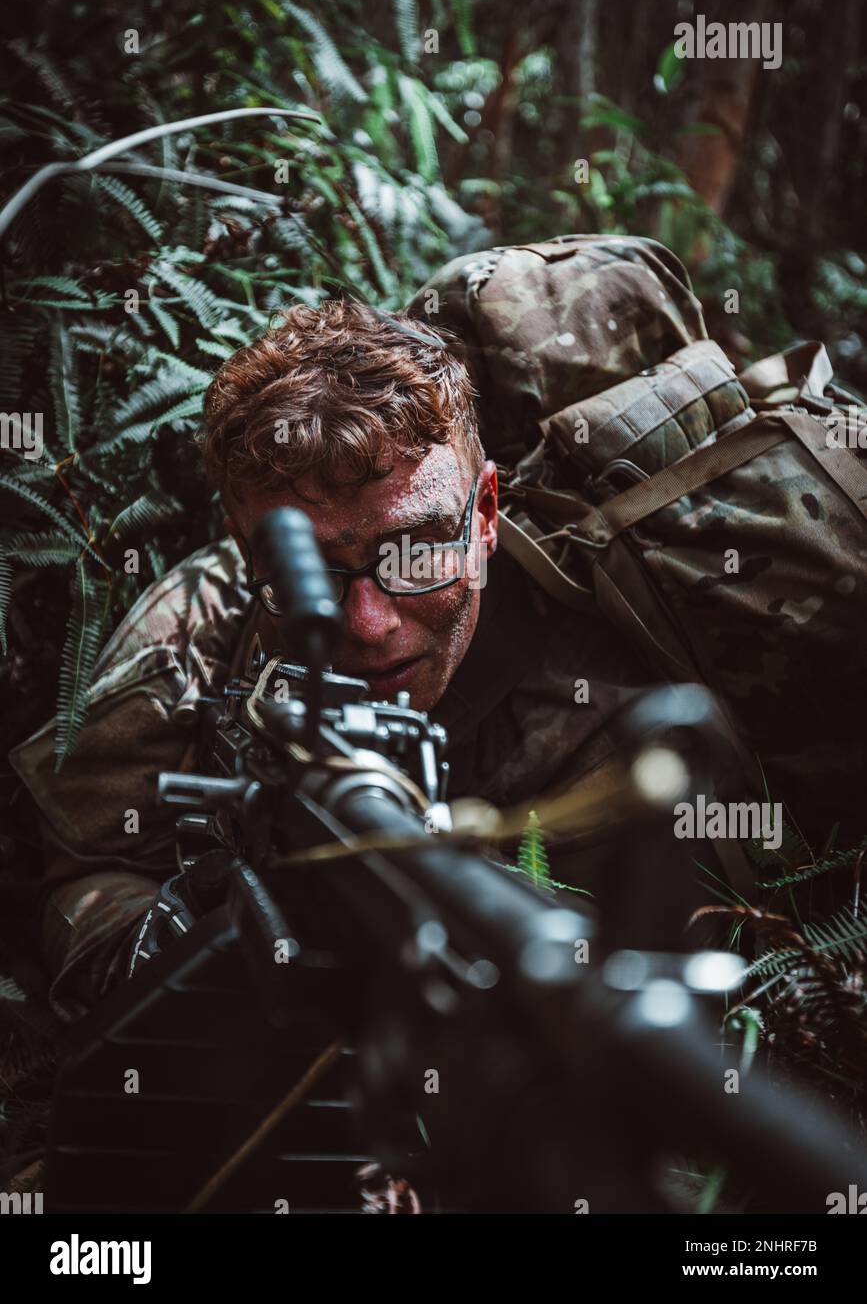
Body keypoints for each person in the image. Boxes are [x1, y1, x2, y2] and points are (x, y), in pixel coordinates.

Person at [10, 296, 728, 1025]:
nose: (368, 623)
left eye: (413, 554)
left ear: (484, 515)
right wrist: (186, 940)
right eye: (311, 573)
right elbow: (80, 870)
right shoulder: (201, 630)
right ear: (244, 541)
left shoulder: (601, 722)